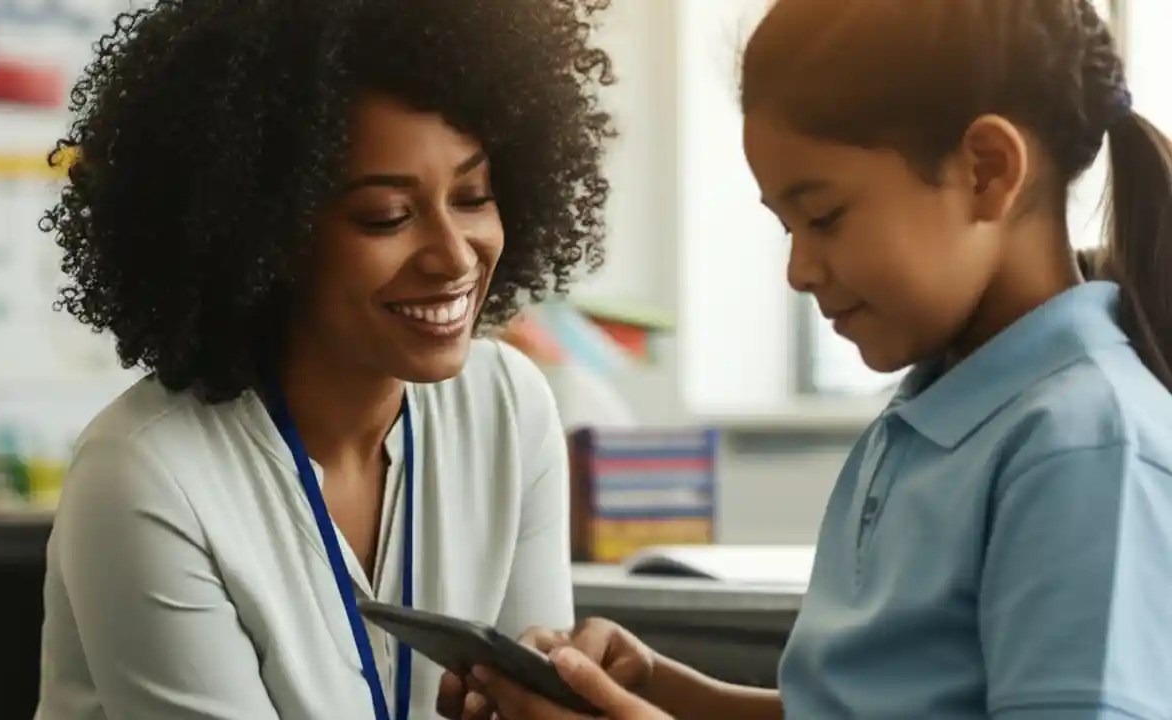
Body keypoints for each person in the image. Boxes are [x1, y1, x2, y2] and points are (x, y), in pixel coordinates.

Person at [450, 0, 1172, 718]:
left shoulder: (1082, 446)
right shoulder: (932, 413)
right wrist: (653, 693)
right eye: (785, 226)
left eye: (824, 216)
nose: (797, 270)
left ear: (986, 170)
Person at [33, 0, 614, 717]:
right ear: (270, 236)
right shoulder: (148, 475)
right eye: (386, 217)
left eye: (472, 197)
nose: (455, 255)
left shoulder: (508, 408)